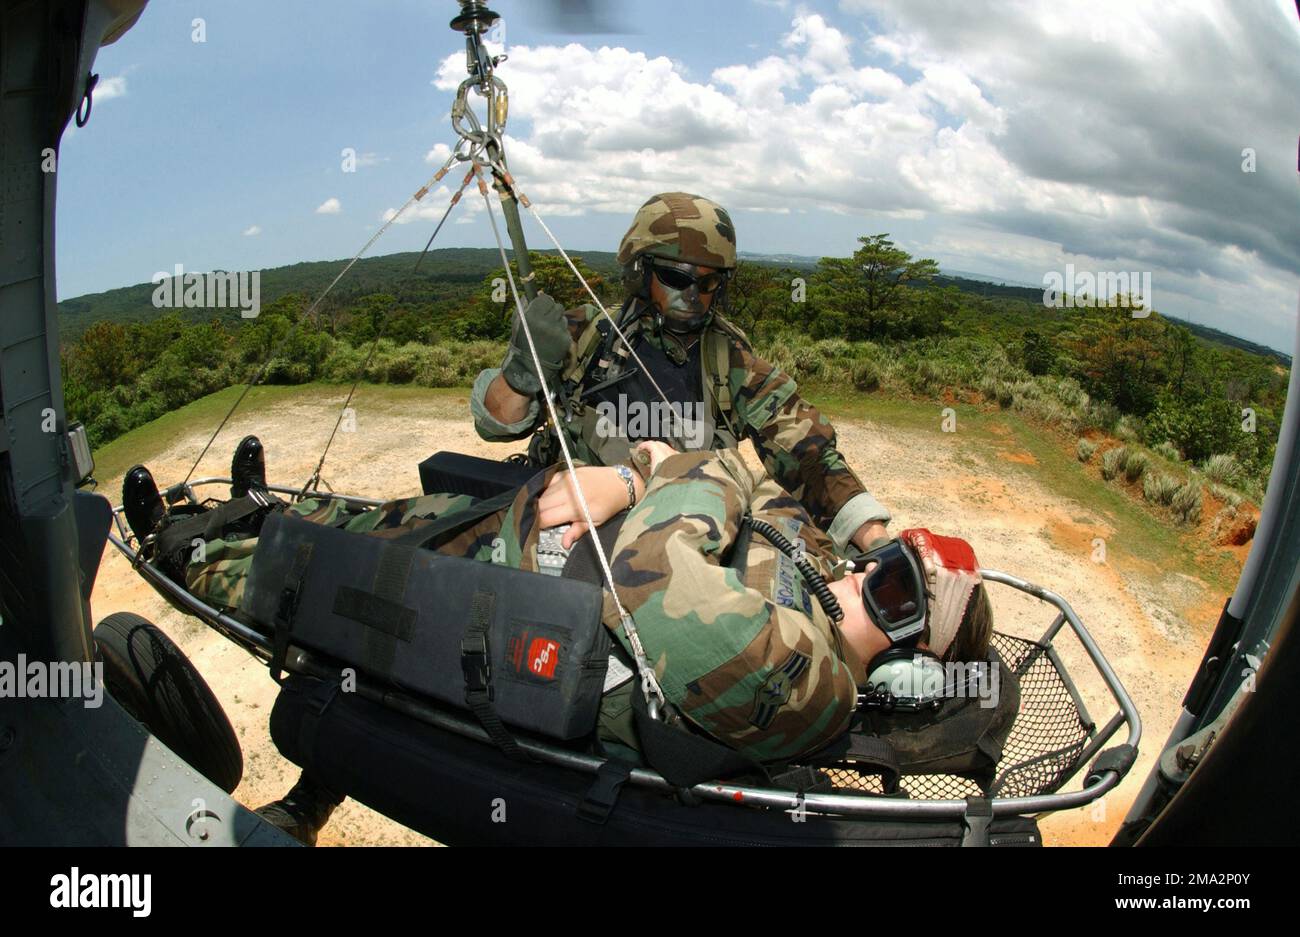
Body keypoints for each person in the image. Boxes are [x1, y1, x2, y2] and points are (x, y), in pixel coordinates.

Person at [122, 433, 994, 842]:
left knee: (314, 581)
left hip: (503, 609)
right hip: (532, 549)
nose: (859, 578)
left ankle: (184, 542)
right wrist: (679, 483)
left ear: (914, 664)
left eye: (897, 592)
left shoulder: (807, 680)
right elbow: (749, 501)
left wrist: (663, 469)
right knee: (379, 519)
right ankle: (255, 509)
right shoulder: (812, 579)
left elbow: (656, 574)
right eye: (881, 561)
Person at [472, 191, 896, 556]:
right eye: (676, 277)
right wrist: (523, 374)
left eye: (708, 283)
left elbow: (809, 455)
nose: (693, 295)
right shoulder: (582, 335)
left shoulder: (729, 359)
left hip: (681, 539)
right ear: (640, 272)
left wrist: (873, 536)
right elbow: (497, 424)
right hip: (565, 524)